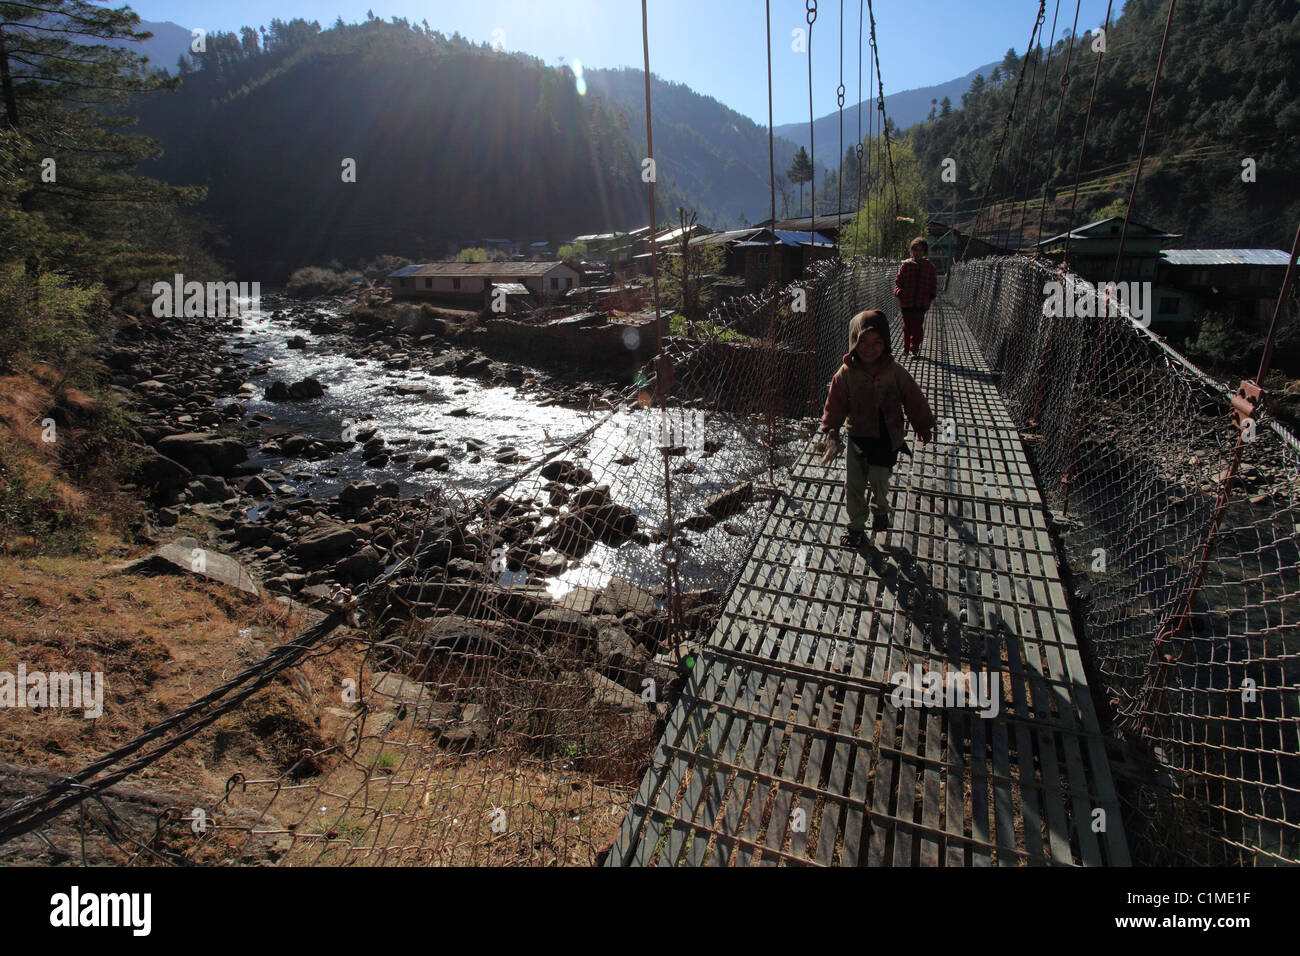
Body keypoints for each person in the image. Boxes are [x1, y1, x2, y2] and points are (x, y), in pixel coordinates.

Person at [817, 309, 935, 547]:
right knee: (854, 485)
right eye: (863, 342)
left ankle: (880, 508)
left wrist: (922, 423)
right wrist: (831, 430)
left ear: (886, 344)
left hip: (886, 436)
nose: (869, 348)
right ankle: (856, 527)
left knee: (880, 478)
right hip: (857, 436)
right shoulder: (846, 373)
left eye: (877, 342)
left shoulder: (894, 372)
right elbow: (836, 403)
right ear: (853, 342)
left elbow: (913, 397)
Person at [894, 237, 938, 357]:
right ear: (911, 251)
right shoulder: (905, 266)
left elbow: (933, 283)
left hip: (921, 303)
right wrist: (899, 292)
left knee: (917, 327)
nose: (918, 253)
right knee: (907, 326)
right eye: (915, 250)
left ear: (924, 252)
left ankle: (914, 348)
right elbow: (898, 282)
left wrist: (930, 296)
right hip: (906, 302)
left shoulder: (929, 267)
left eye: (920, 250)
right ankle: (906, 348)